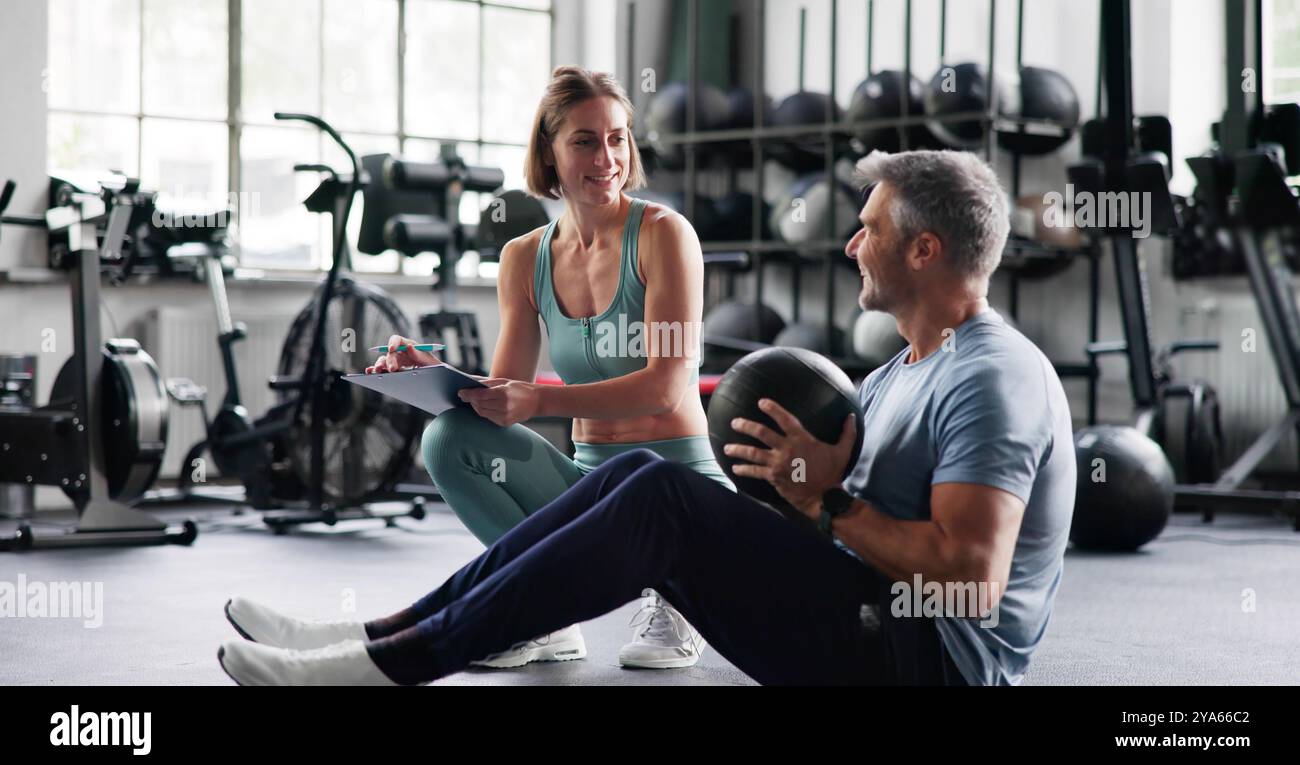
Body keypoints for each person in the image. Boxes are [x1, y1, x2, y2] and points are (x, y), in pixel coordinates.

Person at [218, 149, 1075, 687]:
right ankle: (379, 633)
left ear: (925, 250)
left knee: (660, 498)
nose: (851, 244)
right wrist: (791, 490)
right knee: (637, 475)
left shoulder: (993, 377)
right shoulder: (896, 373)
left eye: (870, 229)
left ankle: (391, 664)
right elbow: (840, 525)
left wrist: (824, 503)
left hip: (928, 663)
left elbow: (972, 573)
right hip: (865, 613)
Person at [227, 66, 730, 670]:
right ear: (548, 150)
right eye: (584, 140)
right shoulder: (525, 258)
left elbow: (667, 386)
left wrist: (538, 401)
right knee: (450, 437)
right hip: (586, 489)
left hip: (676, 493)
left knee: (648, 526)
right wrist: (428, 371)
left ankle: (671, 599)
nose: (607, 156)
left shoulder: (665, 235)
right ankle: (546, 619)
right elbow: (500, 396)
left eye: (618, 138)